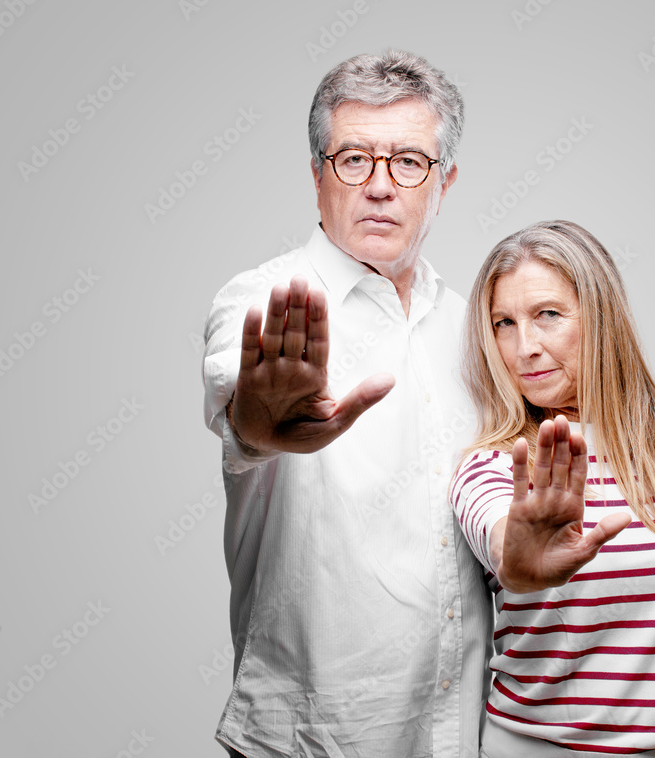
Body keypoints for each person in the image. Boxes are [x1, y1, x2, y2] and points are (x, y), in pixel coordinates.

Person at [202, 51, 492, 758]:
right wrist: (259, 423)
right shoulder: (262, 304)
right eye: (354, 159)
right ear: (317, 175)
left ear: (444, 182)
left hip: (470, 729)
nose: (381, 187)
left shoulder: (473, 324)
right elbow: (239, 405)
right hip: (315, 737)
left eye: (409, 163)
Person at [450, 220, 655, 757]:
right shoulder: (496, 467)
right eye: (503, 323)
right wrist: (519, 557)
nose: (524, 346)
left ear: (601, 319)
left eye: (547, 315)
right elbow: (500, 537)